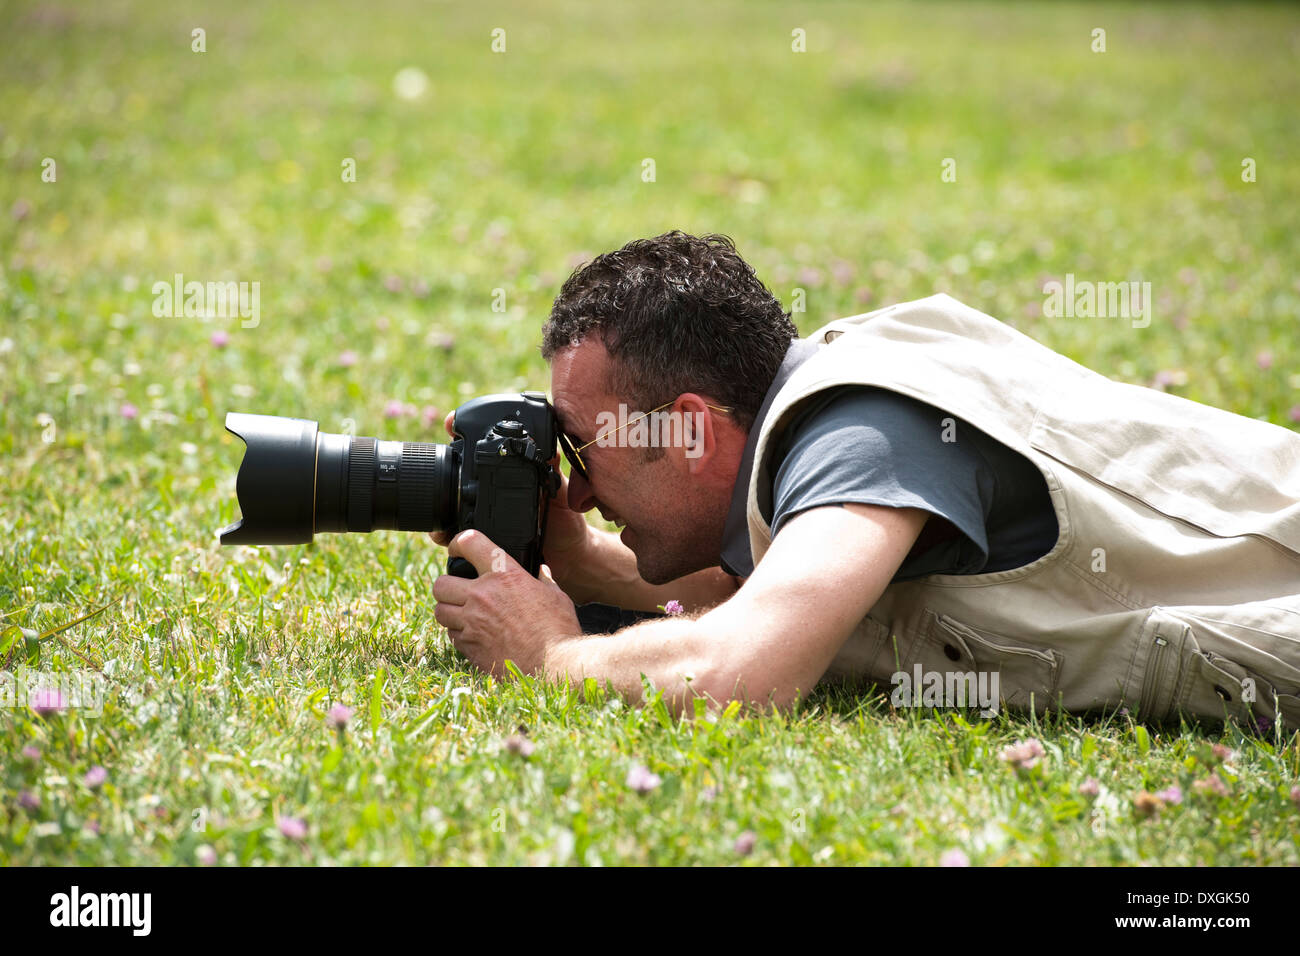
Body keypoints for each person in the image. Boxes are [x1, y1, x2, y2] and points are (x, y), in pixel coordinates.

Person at [431, 231, 1300, 729]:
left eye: (583, 452)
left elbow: (745, 671)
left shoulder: (860, 433)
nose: (575, 490)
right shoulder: (815, 435)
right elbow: (791, 584)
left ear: (689, 430)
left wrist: (550, 655)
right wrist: (582, 565)